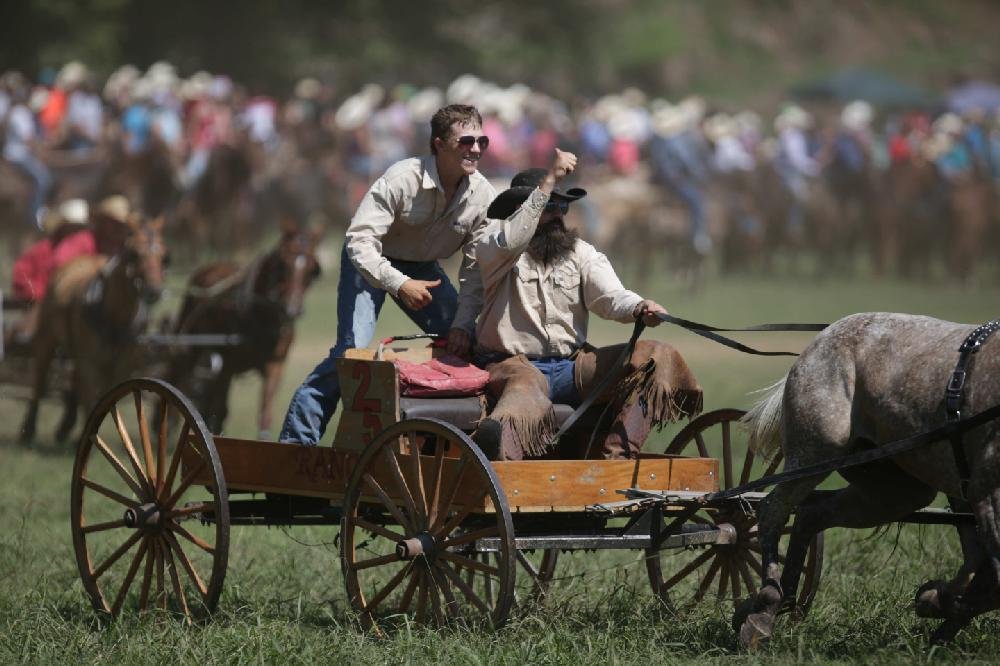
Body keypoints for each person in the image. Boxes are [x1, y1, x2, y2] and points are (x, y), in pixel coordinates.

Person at [279, 104, 496, 445]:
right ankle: (295, 445)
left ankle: (449, 440)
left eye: (482, 141)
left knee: (467, 345)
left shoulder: (483, 195)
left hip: (423, 269)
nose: (476, 149)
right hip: (369, 263)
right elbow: (359, 241)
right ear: (438, 144)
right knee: (352, 355)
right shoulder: (402, 177)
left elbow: (474, 270)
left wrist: (463, 323)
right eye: (466, 141)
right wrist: (399, 282)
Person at [469, 150, 703, 461]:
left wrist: (639, 306)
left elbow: (609, 296)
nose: (558, 214)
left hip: (571, 367)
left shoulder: (581, 253)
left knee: (657, 356)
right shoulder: (494, 248)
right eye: (548, 205)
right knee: (524, 389)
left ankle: (618, 458)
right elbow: (512, 240)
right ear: (519, 210)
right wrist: (549, 180)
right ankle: (502, 463)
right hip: (513, 366)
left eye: (561, 205)